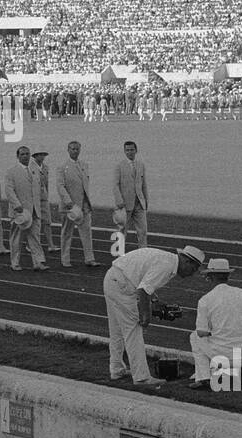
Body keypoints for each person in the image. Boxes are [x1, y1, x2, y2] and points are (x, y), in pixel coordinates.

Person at [103, 246, 206, 387]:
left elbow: (145, 282)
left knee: (117, 330)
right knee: (134, 330)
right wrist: (146, 315)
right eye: (193, 269)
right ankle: (141, 378)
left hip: (113, 278)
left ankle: (116, 369)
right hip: (122, 284)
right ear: (187, 261)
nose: (191, 274)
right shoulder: (166, 266)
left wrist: (155, 301)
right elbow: (143, 290)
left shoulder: (168, 261)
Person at [187, 258, 242, 389]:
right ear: (228, 276)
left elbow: (201, 332)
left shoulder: (206, 300)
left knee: (194, 336)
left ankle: (204, 378)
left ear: (211, 277)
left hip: (224, 355)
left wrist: (213, 331)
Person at [2, 145, 47, 272]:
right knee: (16, 239)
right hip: (20, 212)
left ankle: (38, 262)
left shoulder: (35, 170)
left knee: (35, 238)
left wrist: (41, 205)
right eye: (22, 154)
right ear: (17, 156)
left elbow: (40, 189)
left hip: (34, 211)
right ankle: (15, 263)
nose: (25, 156)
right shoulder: (11, 171)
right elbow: (9, 190)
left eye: (27, 154)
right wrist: (17, 205)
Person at [57, 140, 97, 268]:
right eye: (73, 149)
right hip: (70, 207)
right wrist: (68, 202)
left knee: (86, 232)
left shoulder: (84, 165)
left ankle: (89, 258)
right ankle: (65, 259)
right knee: (67, 233)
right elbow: (60, 186)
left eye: (77, 149)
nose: (75, 151)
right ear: (68, 150)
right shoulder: (62, 167)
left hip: (84, 205)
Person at [113, 140, 149, 249]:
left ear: (136, 150)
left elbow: (144, 184)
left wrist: (146, 200)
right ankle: (119, 254)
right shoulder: (119, 166)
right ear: (124, 151)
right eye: (127, 150)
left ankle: (143, 253)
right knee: (122, 230)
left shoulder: (141, 165)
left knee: (143, 230)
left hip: (139, 203)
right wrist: (119, 201)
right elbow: (115, 185)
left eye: (132, 150)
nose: (130, 152)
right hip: (125, 204)